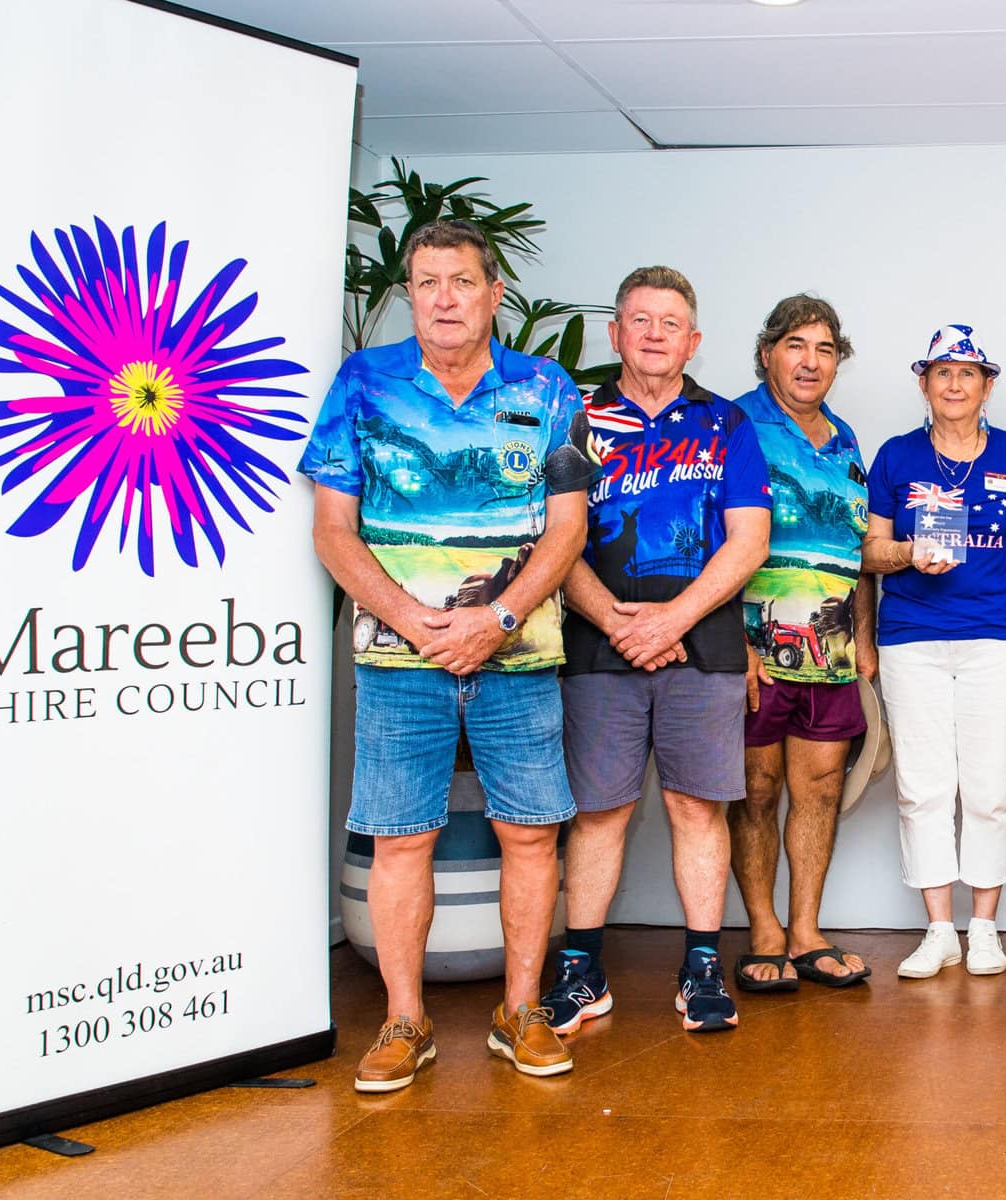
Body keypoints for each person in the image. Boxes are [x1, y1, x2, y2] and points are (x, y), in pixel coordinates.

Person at [300, 220, 597, 1089]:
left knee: (531, 836)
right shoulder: (363, 383)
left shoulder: (546, 387)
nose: (442, 299)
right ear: (408, 295)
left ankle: (521, 1010)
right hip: (400, 662)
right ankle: (403, 1022)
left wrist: (495, 618)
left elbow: (567, 527)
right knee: (400, 840)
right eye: (426, 282)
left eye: (460, 281)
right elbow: (332, 528)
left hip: (518, 654)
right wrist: (413, 619)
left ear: (492, 293)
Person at [547, 266, 771, 1033]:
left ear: (693, 340)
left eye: (669, 323)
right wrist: (617, 621)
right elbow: (554, 537)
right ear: (615, 333)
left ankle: (701, 970)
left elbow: (749, 542)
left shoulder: (728, 424)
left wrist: (670, 620)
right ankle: (582, 973)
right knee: (599, 813)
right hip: (597, 646)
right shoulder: (573, 418)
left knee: (695, 808)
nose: (652, 334)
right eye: (638, 320)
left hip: (702, 648)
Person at [862, 325, 1006, 978]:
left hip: (998, 636)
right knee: (922, 785)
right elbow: (870, 551)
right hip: (912, 637)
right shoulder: (895, 457)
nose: (953, 384)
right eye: (941, 372)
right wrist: (910, 553)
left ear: (986, 385)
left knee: (990, 786)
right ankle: (939, 929)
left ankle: (985, 927)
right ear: (924, 383)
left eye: (966, 373)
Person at [730, 296, 877, 992]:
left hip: (832, 653)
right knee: (755, 790)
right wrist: (735, 643)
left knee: (817, 792)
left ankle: (806, 929)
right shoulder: (735, 424)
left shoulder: (846, 442)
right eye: (795, 345)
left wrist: (866, 642)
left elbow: (857, 552)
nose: (810, 360)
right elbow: (706, 540)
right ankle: (764, 930)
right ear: (768, 354)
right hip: (755, 649)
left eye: (824, 348)